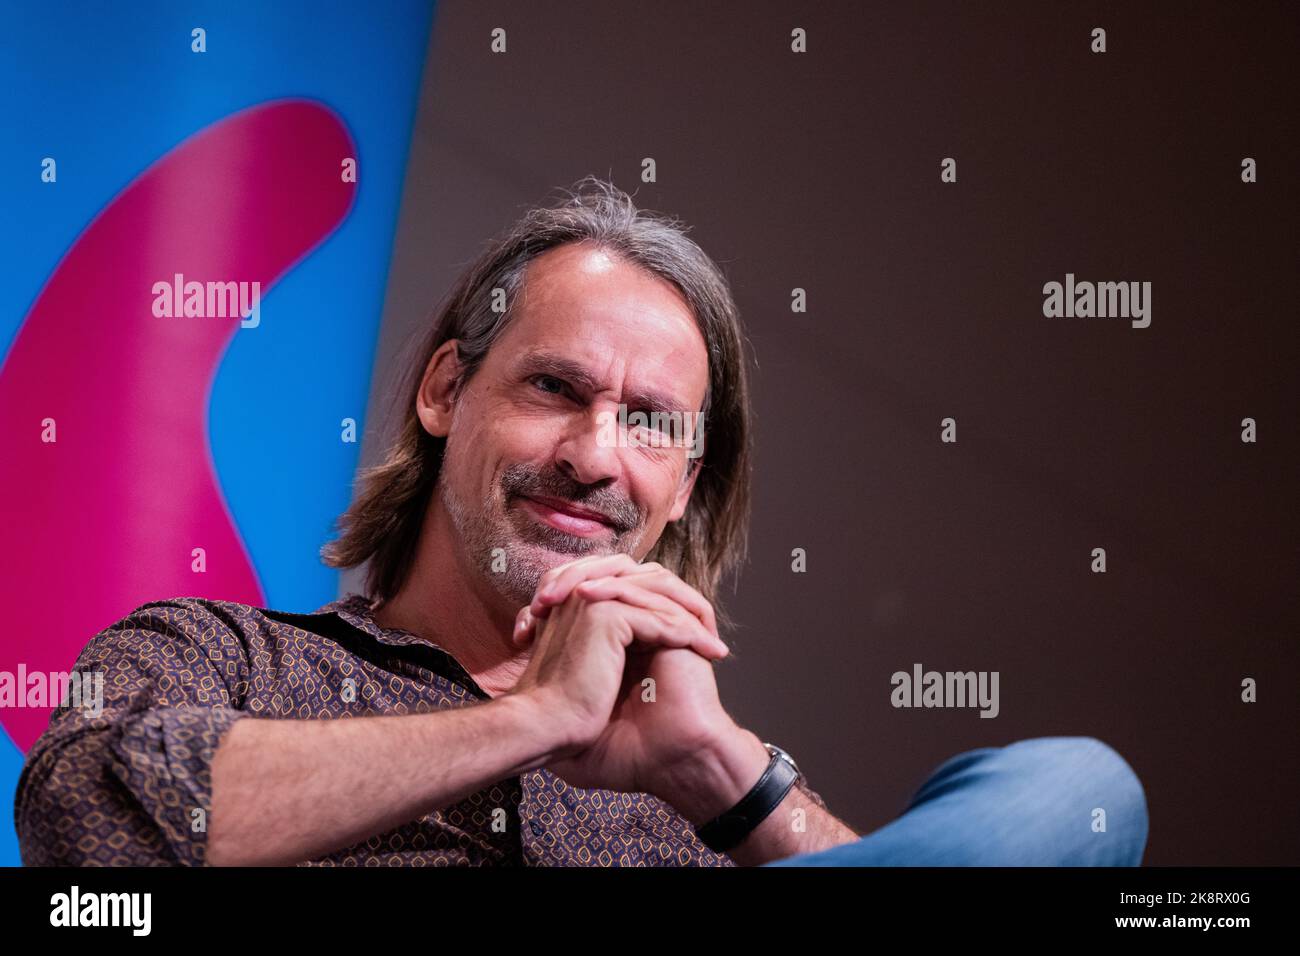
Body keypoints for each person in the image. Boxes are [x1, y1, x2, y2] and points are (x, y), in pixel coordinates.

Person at [15, 177, 1147, 867]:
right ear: (447, 390)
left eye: (652, 423)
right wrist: (534, 719)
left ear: (685, 487)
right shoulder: (221, 653)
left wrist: (716, 771)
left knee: (1079, 792)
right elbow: (96, 835)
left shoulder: (687, 805)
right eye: (556, 388)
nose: (596, 455)